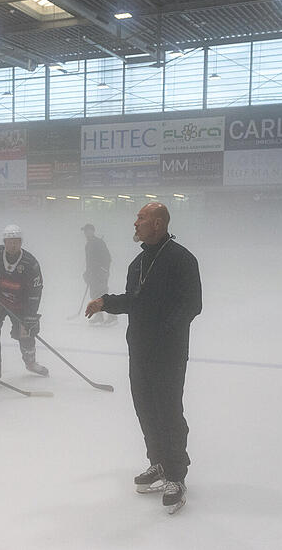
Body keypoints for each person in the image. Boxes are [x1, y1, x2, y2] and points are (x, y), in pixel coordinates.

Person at [85, 202, 202, 514]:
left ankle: (176, 474)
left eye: (141, 218)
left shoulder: (181, 259)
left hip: (168, 354)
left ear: (159, 224)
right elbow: (134, 301)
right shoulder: (138, 263)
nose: (135, 223)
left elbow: (192, 305)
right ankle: (158, 463)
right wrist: (104, 302)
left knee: (168, 412)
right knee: (146, 409)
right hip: (139, 351)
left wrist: (166, 333)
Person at [0, 224, 48, 384]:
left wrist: (31, 315)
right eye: (9, 241)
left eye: (16, 241)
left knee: (26, 332)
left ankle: (30, 363)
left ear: (21, 242)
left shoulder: (30, 262)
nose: (13, 244)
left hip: (20, 303)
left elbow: (36, 290)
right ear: (4, 242)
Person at [81, 223, 116, 326]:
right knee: (95, 294)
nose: (86, 233)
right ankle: (99, 316)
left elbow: (108, 258)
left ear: (92, 231)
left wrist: (102, 270)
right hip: (93, 274)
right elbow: (89, 262)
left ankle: (113, 317)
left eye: (88, 230)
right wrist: (87, 273)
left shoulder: (99, 242)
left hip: (100, 273)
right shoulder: (88, 244)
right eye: (85, 231)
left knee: (102, 294)